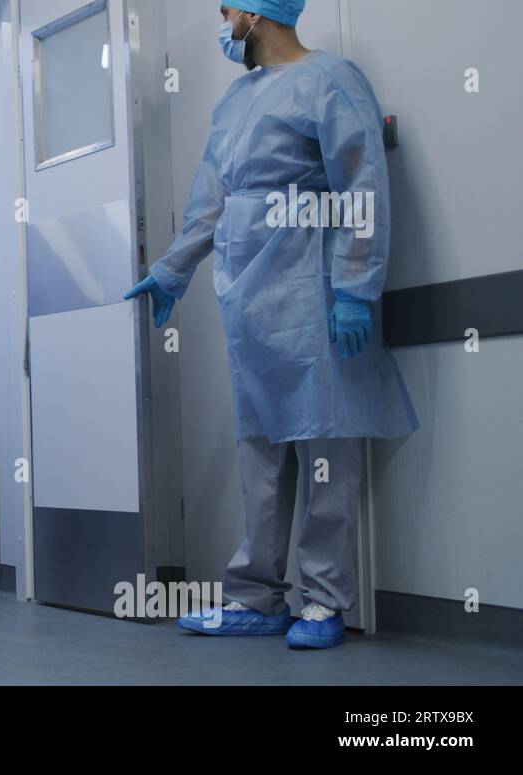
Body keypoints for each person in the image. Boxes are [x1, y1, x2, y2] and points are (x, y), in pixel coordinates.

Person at [124, 0, 418, 649]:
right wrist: (173, 268)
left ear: (256, 14)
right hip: (247, 299)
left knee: (325, 447)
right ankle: (255, 597)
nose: (224, 23)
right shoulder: (234, 101)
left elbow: (362, 185)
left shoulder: (330, 79)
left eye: (228, 10)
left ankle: (325, 601)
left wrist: (354, 288)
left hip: (309, 288)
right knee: (258, 449)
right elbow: (212, 198)